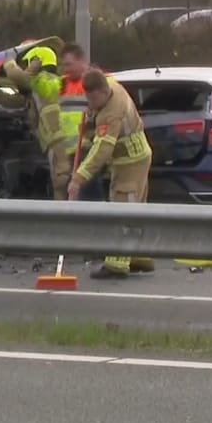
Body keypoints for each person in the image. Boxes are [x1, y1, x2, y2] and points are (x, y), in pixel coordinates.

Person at [69, 69, 155, 279]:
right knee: (135, 207)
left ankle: (117, 263)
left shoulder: (111, 113)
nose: (89, 103)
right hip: (131, 157)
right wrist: (90, 116)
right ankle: (137, 255)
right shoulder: (111, 86)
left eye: (91, 99)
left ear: (101, 92)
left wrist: (78, 178)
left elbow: (103, 149)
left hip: (131, 159)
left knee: (123, 206)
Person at [0, 45, 72, 200]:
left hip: (62, 145)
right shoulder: (42, 88)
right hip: (57, 144)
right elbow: (14, 101)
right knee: (60, 185)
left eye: (28, 64)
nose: (27, 68)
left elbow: (17, 76)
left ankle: (66, 220)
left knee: (62, 184)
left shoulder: (48, 81)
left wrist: (9, 60)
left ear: (37, 62)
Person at [58, 43, 105, 201]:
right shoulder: (62, 84)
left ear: (82, 61)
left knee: (89, 196)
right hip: (69, 152)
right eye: (64, 65)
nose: (66, 69)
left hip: (88, 149)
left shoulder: (98, 83)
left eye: (69, 64)